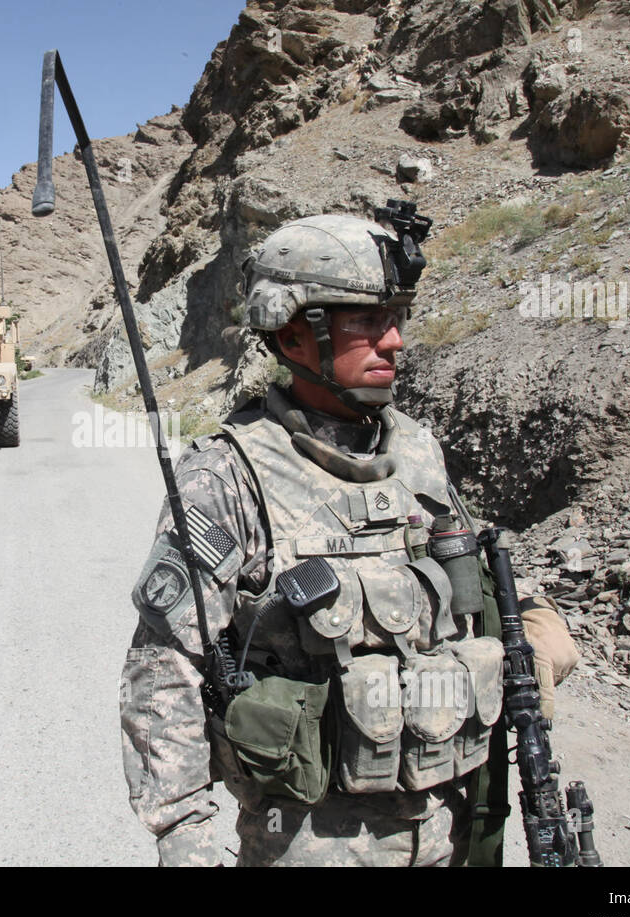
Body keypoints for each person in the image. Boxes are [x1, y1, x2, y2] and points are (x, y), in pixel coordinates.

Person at [119, 211, 579, 866]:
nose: (393, 340)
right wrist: (185, 841)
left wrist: (534, 634)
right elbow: (162, 675)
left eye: (397, 317)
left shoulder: (416, 451)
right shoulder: (228, 475)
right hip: (314, 842)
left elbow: (487, 584)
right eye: (365, 320)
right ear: (292, 332)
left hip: (457, 827)